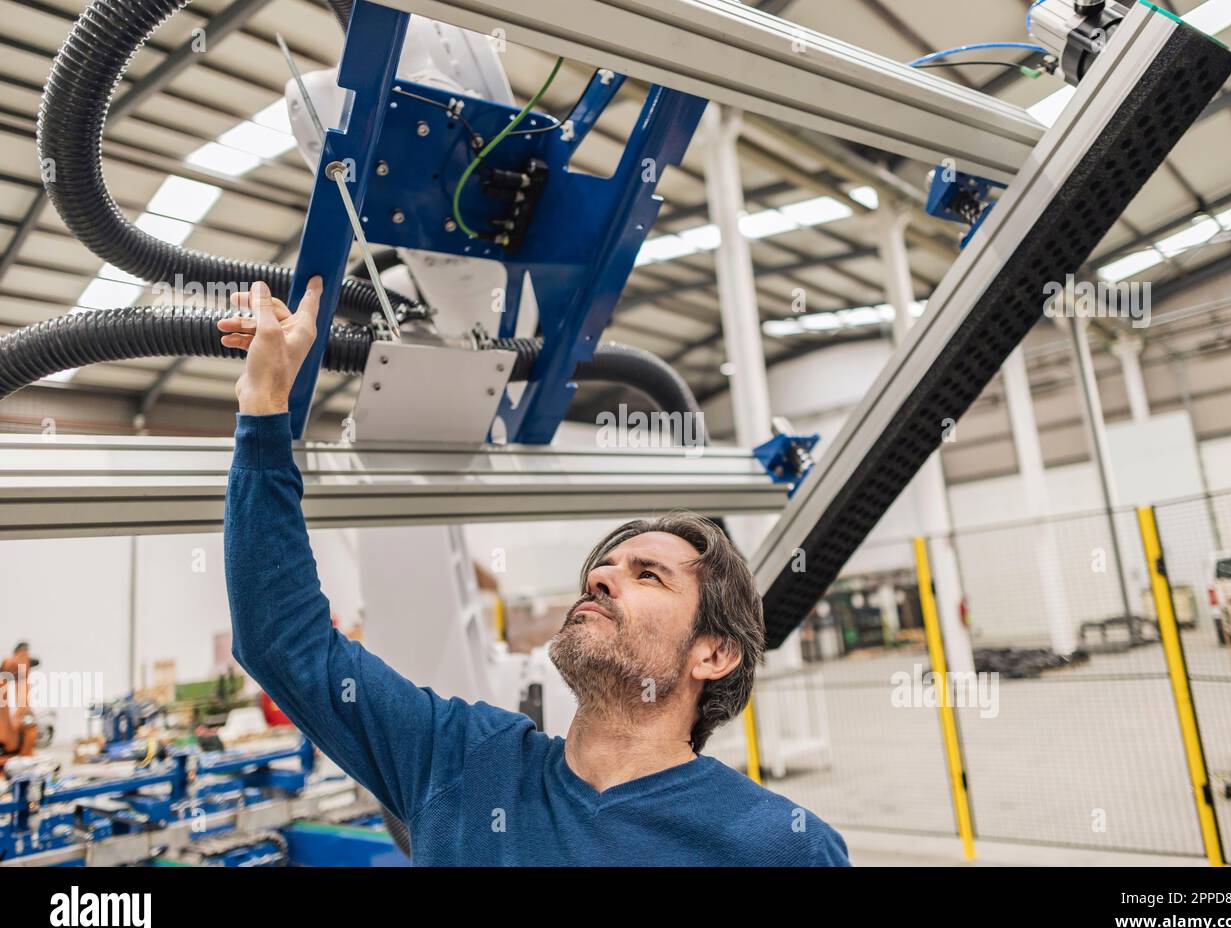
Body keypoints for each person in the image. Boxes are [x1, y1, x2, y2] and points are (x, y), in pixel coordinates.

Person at [218, 279, 849, 866]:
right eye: (602, 569)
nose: (601, 578)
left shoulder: (779, 846)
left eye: (648, 575)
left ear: (713, 654)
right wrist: (264, 408)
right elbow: (281, 639)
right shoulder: (461, 760)